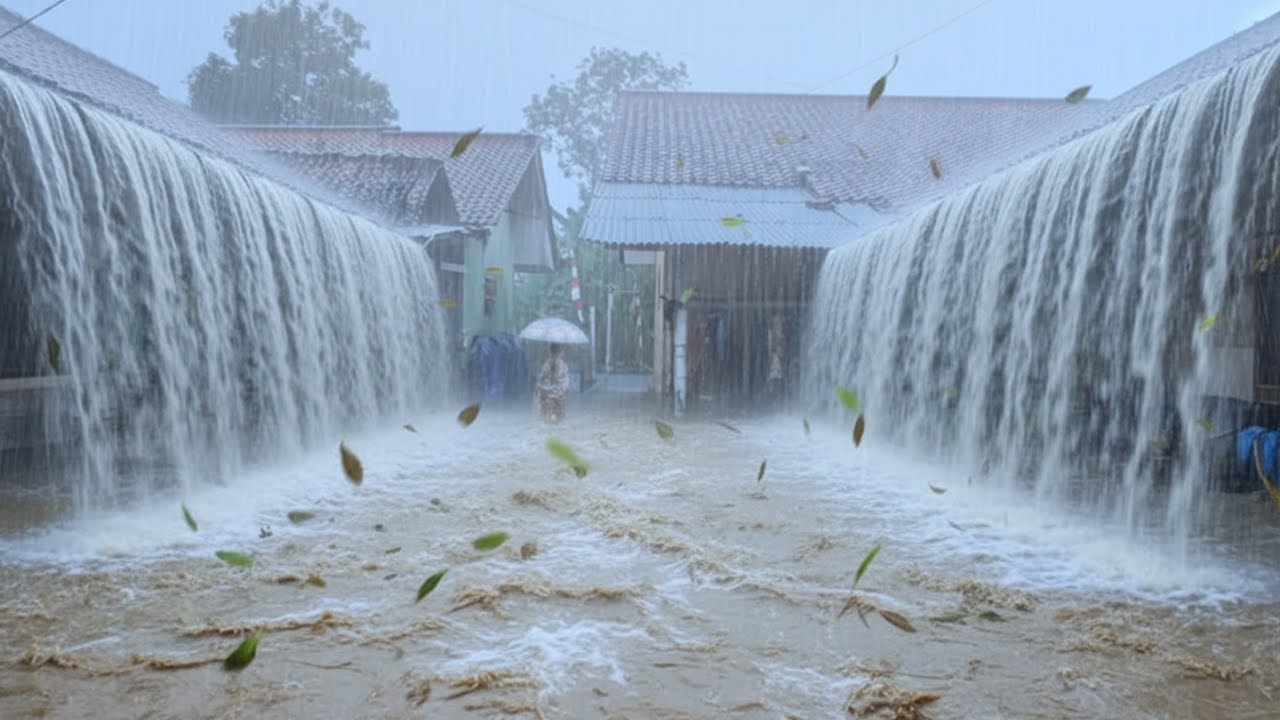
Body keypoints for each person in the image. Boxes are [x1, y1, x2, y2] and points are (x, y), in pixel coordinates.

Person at [536, 343, 570, 423]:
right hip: (558, 394)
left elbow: (541, 379)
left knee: (547, 417)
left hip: (548, 393)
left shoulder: (547, 364)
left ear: (550, 352)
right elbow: (565, 382)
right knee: (559, 419)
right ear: (561, 352)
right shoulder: (563, 365)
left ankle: (549, 416)